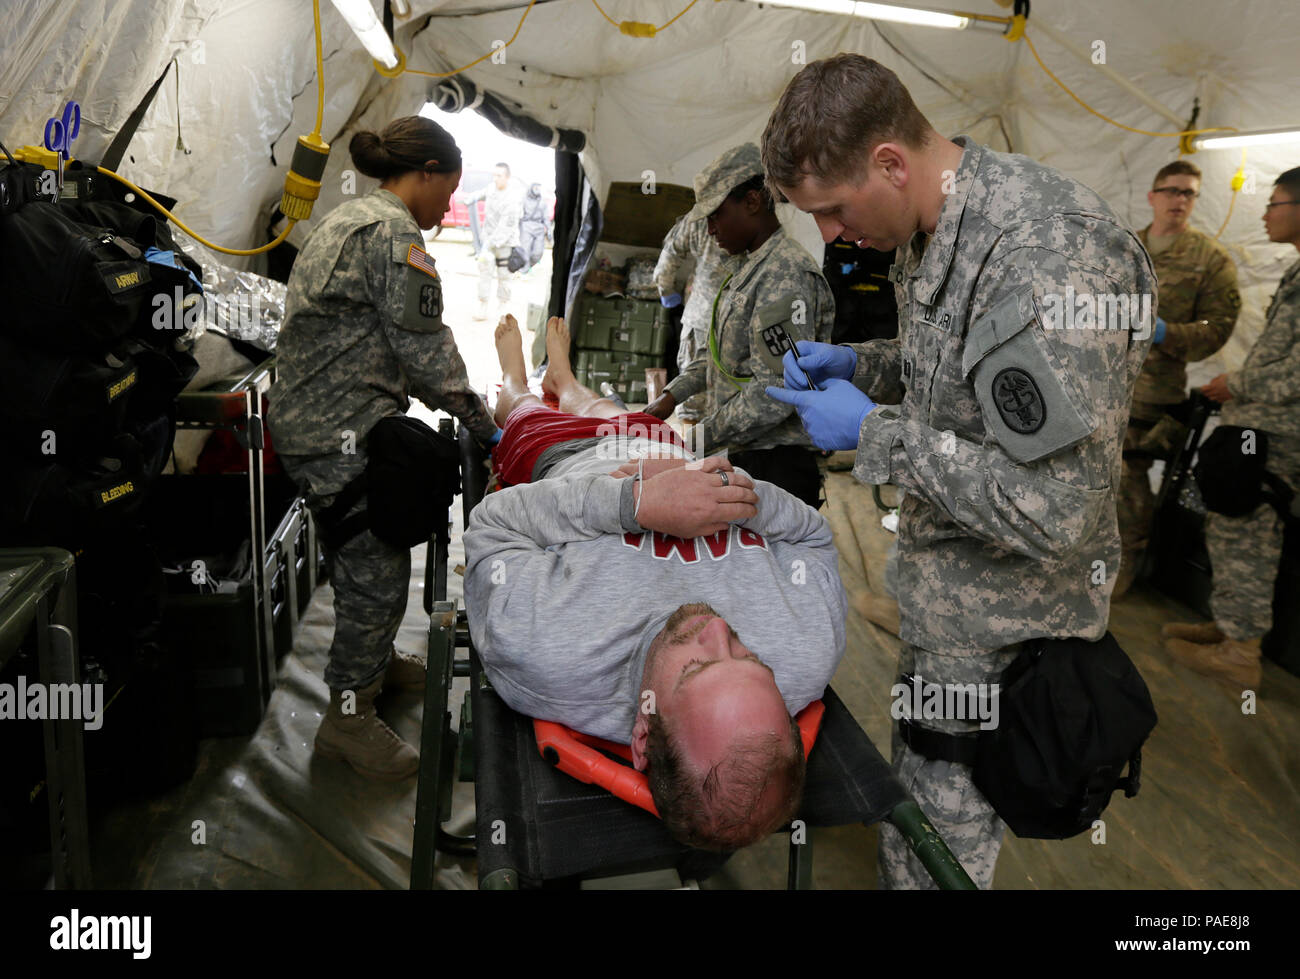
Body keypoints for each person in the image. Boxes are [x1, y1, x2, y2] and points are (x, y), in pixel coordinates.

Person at [759, 54, 1156, 888]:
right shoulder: (937, 225)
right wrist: (863, 366)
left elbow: (1058, 509)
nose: (832, 239)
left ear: (891, 163)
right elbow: (959, 370)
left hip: (1002, 651)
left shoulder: (1046, 255)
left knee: (935, 862)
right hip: (943, 616)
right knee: (913, 828)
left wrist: (878, 434)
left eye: (832, 211)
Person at [463, 314, 848, 849]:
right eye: (749, 657)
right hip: (669, 447)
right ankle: (566, 379)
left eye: (698, 665)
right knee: (606, 408)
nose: (717, 628)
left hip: (568, 460)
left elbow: (492, 526)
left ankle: (520, 381)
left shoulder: (545, 647)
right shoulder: (806, 654)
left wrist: (634, 504)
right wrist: (735, 492)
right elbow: (813, 537)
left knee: (522, 410)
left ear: (642, 735)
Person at [270, 116, 501, 781]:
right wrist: (485, 425)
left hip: (321, 416)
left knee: (365, 552)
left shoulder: (350, 218)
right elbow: (425, 349)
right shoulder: (393, 233)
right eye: (446, 191)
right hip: (334, 427)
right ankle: (347, 716)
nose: (447, 208)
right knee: (376, 564)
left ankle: (371, 666)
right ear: (423, 174)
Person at [1164, 167, 1300, 689]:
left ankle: (1241, 653)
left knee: (1247, 526)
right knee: (1227, 516)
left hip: (1278, 433)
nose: (1266, 212)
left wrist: (1236, 383)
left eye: (1276, 202)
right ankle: (1228, 626)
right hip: (1259, 424)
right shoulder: (1295, 272)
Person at [644, 143, 836, 509]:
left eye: (716, 216)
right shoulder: (748, 269)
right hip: (746, 453)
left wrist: (697, 438)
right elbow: (721, 358)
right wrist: (670, 396)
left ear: (752, 202)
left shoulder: (784, 274)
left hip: (774, 463)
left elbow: (775, 391)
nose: (711, 230)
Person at [1114, 159, 1242, 598]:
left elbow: (1219, 327)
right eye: (1172, 191)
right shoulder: (1126, 246)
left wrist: (1169, 334)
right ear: (1152, 196)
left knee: (1128, 474)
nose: (1180, 200)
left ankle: (1127, 560)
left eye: (1189, 193)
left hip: (1151, 392)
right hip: (1100, 382)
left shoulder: (1210, 260)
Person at [652, 212, 734, 423]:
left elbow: (670, 254)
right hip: (738, 319)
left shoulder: (699, 217)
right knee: (731, 396)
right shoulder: (749, 214)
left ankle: (693, 452)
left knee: (692, 397)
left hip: (701, 316)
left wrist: (666, 289)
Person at [462, 162, 522, 320]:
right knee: (484, 273)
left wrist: (489, 244)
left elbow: (506, 226)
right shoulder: (491, 189)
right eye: (494, 175)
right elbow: (482, 194)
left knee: (504, 277)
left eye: (499, 176)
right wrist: (472, 197)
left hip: (504, 244)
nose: (495, 179)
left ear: (507, 177)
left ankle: (503, 307)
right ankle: (483, 305)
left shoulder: (512, 198)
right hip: (488, 242)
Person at [518, 182, 551, 273]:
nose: (537, 190)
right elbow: (518, 214)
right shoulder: (524, 200)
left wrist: (549, 230)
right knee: (525, 250)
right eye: (535, 187)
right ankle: (523, 271)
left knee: (538, 253)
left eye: (539, 188)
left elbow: (546, 218)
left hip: (539, 227)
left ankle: (528, 265)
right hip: (526, 226)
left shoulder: (542, 203)